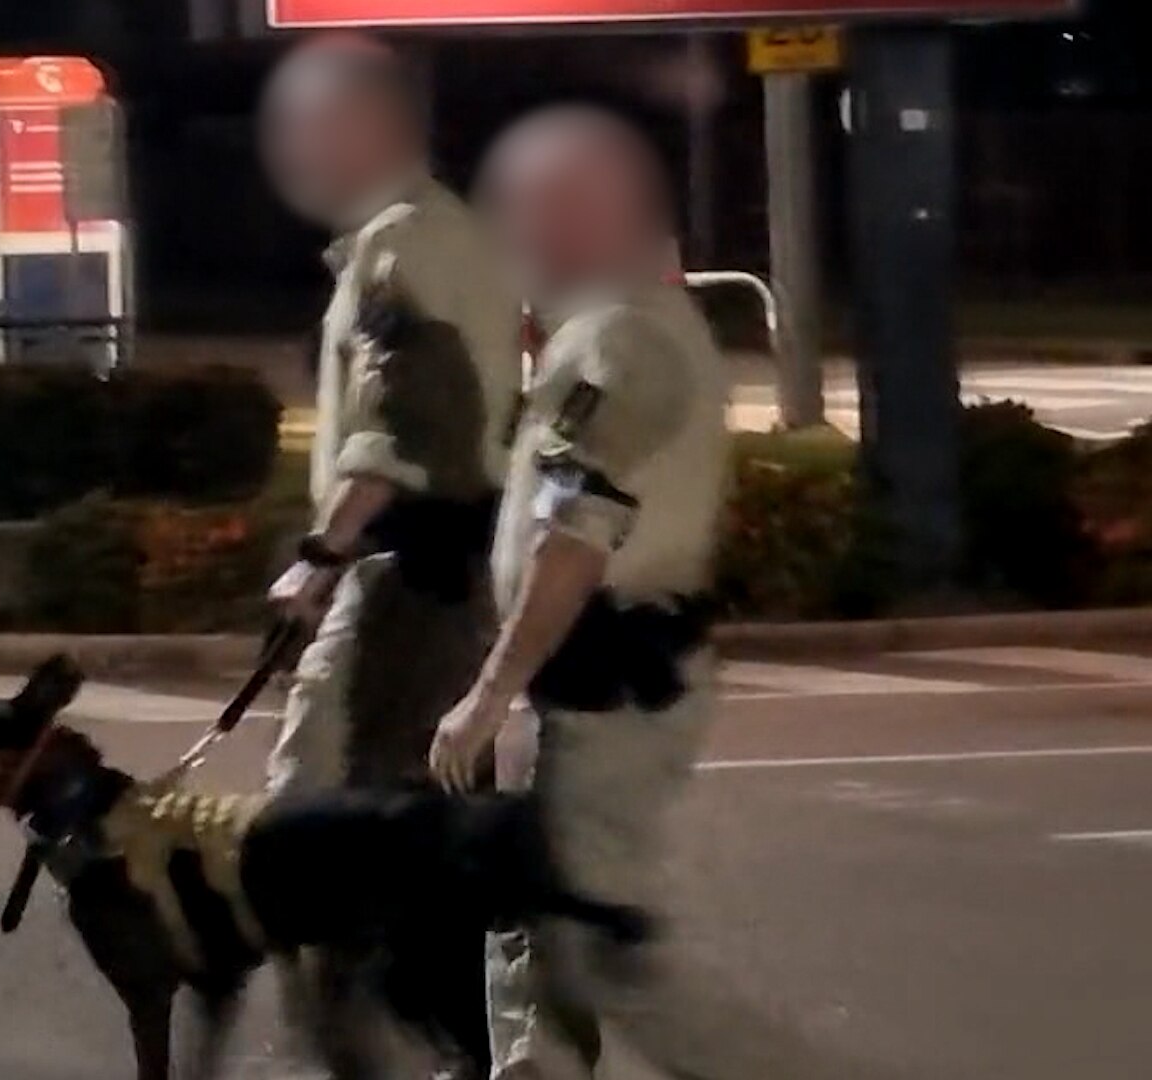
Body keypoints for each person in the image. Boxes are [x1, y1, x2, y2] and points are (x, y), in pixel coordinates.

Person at [430, 103, 819, 1080]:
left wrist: (487, 694)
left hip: (606, 677)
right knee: (532, 906)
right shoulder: (602, 332)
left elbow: (578, 535)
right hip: (579, 673)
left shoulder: (624, 345)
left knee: (602, 943)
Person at [257, 34, 521, 1075]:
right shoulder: (435, 234)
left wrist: (322, 551)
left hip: (413, 568)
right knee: (396, 812)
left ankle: (417, 1039)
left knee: (347, 816)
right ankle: (443, 1037)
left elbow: (409, 419)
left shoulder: (404, 247)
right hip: (432, 564)